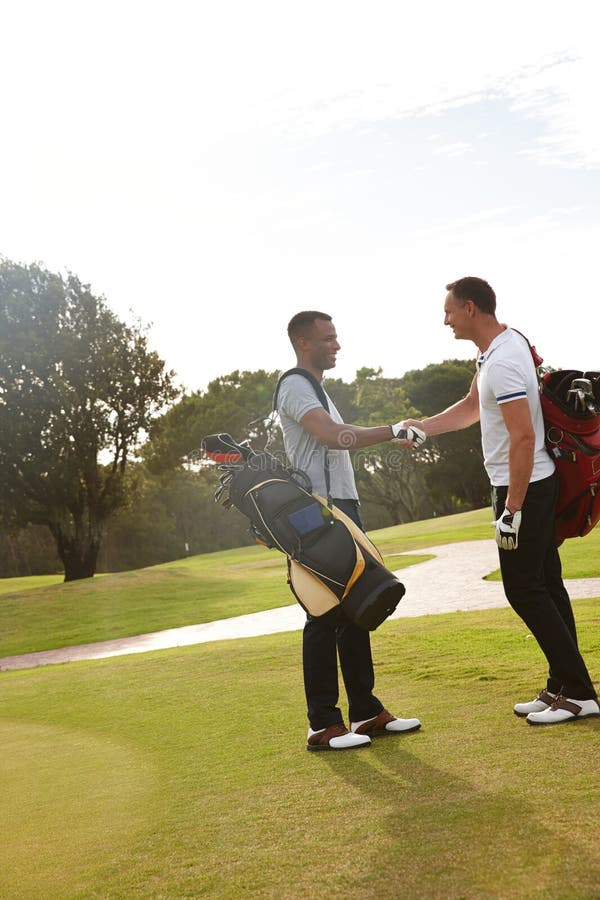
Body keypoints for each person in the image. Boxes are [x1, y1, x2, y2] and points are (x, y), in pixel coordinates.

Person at [401, 276, 599, 726]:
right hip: (522, 485)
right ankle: (563, 686)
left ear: (471, 308)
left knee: (524, 589)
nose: (445, 319)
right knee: (545, 584)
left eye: (449, 311)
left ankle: (580, 693)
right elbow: (473, 406)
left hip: (524, 487)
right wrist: (424, 426)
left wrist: (512, 508)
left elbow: (524, 437)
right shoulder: (493, 352)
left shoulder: (506, 359)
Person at [277, 310, 423, 751]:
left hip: (341, 509)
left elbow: (341, 433)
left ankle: (364, 713)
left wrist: (386, 435)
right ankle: (322, 724)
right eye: (329, 338)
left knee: (356, 607)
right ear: (304, 342)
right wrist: (391, 429)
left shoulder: (318, 388)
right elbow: (330, 435)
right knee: (323, 613)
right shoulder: (295, 385)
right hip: (316, 514)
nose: (336, 345)